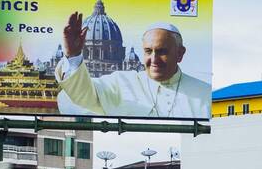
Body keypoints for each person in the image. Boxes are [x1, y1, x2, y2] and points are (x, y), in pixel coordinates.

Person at [54, 17, 210, 118]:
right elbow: (82, 96)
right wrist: (73, 55)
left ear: (180, 54)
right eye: (148, 51)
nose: (154, 59)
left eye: (162, 51)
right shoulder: (120, 82)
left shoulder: (205, 94)